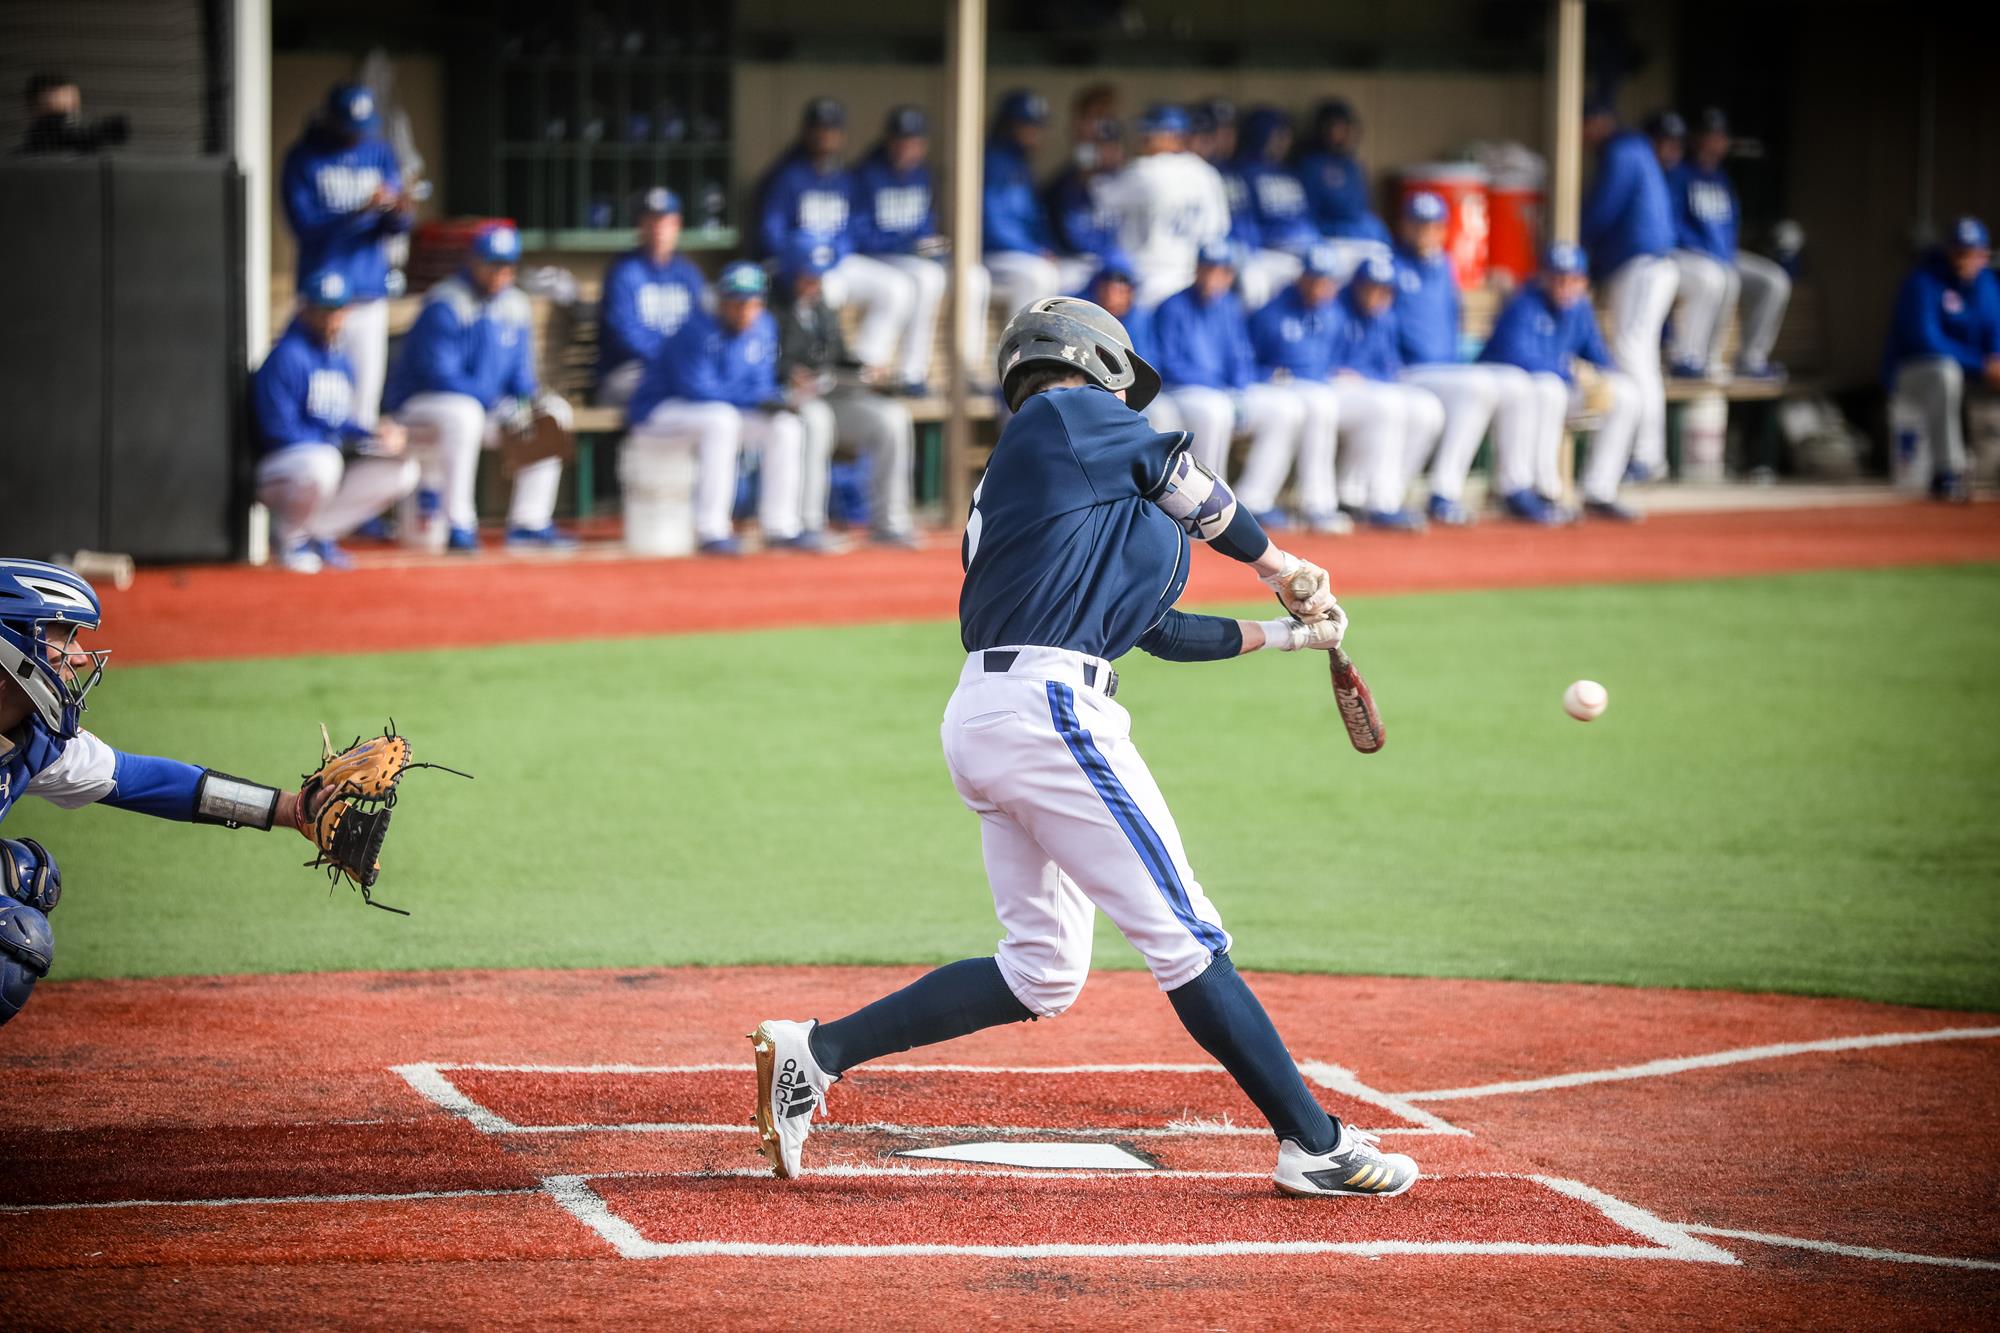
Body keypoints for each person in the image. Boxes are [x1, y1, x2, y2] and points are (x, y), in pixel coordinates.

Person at [746, 296, 1420, 1204]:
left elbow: (1159, 632)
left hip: (994, 713)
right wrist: (1280, 564)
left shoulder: (1073, 490)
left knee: (1042, 969)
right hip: (1049, 712)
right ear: (1089, 363)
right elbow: (1176, 466)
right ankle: (1315, 1141)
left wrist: (1288, 635)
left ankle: (816, 1052)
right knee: (1186, 936)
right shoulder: (1061, 413)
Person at [0, 560, 336, 1026]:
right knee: (12, 940)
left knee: (25, 877)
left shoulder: (34, 740)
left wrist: (291, 809)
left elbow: (145, 781)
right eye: (62, 636)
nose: (79, 657)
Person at [381, 223, 576, 552]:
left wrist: (525, 402)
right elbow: (439, 374)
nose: (499, 272)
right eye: (492, 263)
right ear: (473, 261)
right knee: (465, 413)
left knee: (553, 413)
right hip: (423, 408)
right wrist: (495, 403)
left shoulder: (516, 304)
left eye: (506, 264)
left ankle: (530, 523)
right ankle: (459, 524)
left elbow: (520, 374)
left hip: (485, 407)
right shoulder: (445, 303)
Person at [625, 261, 817, 555]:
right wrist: (755, 399)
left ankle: (780, 526)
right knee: (721, 420)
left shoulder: (764, 327)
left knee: (784, 426)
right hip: (658, 413)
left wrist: (778, 398)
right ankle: (711, 529)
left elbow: (760, 382)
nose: (744, 312)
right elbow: (698, 389)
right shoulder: (696, 329)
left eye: (751, 304)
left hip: (716, 412)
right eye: (737, 303)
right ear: (723, 301)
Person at [251, 269, 419, 573]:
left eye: (337, 310)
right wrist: (340, 446)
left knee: (402, 469)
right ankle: (289, 540)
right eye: (323, 310)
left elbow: (338, 421)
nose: (331, 319)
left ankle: (319, 533)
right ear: (306, 310)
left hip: (321, 460)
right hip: (277, 468)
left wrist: (372, 434)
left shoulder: (340, 361)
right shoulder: (286, 356)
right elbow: (277, 431)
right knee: (322, 462)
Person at [1393, 191, 1536, 526]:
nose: (1426, 233)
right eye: (1418, 225)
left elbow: (1450, 319)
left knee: (1517, 383)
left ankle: (1515, 485)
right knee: (1477, 386)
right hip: (1409, 370)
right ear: (1405, 226)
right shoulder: (1391, 266)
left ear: (1443, 230)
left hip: (1447, 370)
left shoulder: (1444, 264)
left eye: (1432, 226)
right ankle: (1444, 491)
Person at [281, 83, 416, 430]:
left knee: (363, 409)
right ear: (329, 119)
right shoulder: (303, 158)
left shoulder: (379, 152)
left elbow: (397, 226)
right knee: (323, 405)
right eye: (347, 128)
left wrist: (399, 210)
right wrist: (359, 210)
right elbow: (304, 226)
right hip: (321, 300)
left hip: (368, 294)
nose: (354, 136)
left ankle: (356, 482)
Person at [1479, 242, 1644, 522]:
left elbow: (1598, 355)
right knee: (1549, 388)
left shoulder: (1580, 308)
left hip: (1554, 393)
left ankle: (1599, 489)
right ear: (1544, 277)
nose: (1564, 286)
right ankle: (1543, 489)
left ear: (1583, 281)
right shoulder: (1525, 302)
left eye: (1572, 279)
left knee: (1626, 393)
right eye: (1558, 278)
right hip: (1519, 393)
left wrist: (1603, 376)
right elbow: (1516, 355)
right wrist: (1572, 373)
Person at [754, 98, 917, 382]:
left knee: (896, 287)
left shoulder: (843, 176)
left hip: (836, 261)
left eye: (831, 129)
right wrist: (802, 261)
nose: (825, 135)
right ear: (806, 131)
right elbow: (771, 234)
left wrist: (834, 255)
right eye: (819, 129)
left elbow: (852, 229)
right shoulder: (786, 176)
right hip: (799, 267)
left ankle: (864, 368)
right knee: (823, 292)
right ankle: (821, 375)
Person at [774, 239, 920, 548]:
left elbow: (838, 355)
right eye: (807, 274)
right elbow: (767, 362)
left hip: (830, 393)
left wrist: (864, 370)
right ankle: (809, 524)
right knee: (817, 419)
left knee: (890, 418)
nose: (814, 282)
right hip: (787, 400)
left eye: (818, 275)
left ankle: (888, 524)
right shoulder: (774, 306)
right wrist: (789, 374)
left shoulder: (821, 305)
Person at [851, 105, 993, 393]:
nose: (907, 148)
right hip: (880, 257)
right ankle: (911, 372)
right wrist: (907, 244)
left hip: (912, 256)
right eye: (901, 140)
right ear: (889, 141)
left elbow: (925, 226)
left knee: (975, 278)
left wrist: (930, 245)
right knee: (928, 278)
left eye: (914, 141)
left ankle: (966, 368)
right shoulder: (866, 174)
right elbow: (860, 234)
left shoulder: (922, 174)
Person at [1152, 242, 1305, 503]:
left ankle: (1255, 499)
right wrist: (1221, 388)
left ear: (1230, 275)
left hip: (1222, 391)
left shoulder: (1229, 307)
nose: (1214, 277)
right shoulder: (1172, 306)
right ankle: (1208, 501)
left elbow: (1241, 358)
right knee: (1216, 411)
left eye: (1221, 271)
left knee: (1286, 409)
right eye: (1208, 269)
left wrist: (1239, 388)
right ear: (1197, 270)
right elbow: (1169, 364)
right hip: (1183, 391)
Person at [1580, 99, 1679, 484]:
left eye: (1585, 126)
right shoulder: (1634, 148)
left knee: (1633, 355)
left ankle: (1646, 456)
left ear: (1599, 123)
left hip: (1642, 265)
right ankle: (1646, 455)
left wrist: (1581, 247)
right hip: (1648, 265)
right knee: (1639, 356)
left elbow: (1604, 209)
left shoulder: (1623, 149)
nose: (1583, 137)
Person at [1666, 109, 1792, 381]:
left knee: (1774, 280)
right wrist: (1705, 251)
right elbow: (1673, 225)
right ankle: (1707, 359)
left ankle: (1750, 358)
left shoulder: (1721, 178)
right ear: (1696, 139)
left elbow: (1731, 225)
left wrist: (1724, 253)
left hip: (1724, 255)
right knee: (1725, 278)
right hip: (1695, 257)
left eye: (1720, 136)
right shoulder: (1680, 175)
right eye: (1709, 136)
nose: (1715, 142)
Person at [1881, 216, 2000, 503]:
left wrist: (1996, 359)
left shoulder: (1986, 283)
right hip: (1912, 372)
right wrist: (1982, 365)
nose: (1964, 260)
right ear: (1948, 251)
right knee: (1945, 373)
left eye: (1972, 253)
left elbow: (1995, 328)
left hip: (1969, 372)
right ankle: (1948, 471)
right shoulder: (1923, 281)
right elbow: (1926, 340)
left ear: (1984, 254)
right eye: (1959, 251)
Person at [1327, 255, 1442, 531]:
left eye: (1384, 289)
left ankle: (1388, 493)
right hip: (1333, 388)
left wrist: (1370, 378)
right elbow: (1321, 361)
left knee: (1428, 409)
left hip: (1370, 387)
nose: (1377, 294)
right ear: (1357, 286)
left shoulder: (1385, 318)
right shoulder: (1336, 310)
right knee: (1386, 405)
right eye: (1370, 286)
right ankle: (1378, 502)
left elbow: (1388, 367)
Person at [1246, 244, 1352, 533]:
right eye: (1315, 278)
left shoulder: (1334, 314)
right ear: (1302, 278)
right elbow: (1250, 357)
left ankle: (1328, 501)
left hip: (1319, 384)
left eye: (1327, 280)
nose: (1321, 286)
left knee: (1327, 402)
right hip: (1276, 386)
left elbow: (1339, 357)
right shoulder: (1272, 312)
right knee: (1316, 405)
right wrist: (1268, 374)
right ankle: (1317, 503)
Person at [1102, 105, 1233, 310]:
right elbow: (1219, 231)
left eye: (1150, 134)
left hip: (1150, 281)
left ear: (1174, 136)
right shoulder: (1207, 173)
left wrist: (1106, 163)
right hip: (1196, 282)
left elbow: (1100, 197)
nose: (1143, 139)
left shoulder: (1146, 170)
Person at [982, 90, 1093, 319]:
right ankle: (1018, 346)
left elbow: (1035, 220)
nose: (1036, 133)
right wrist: (1034, 251)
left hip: (1022, 254)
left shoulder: (1021, 162)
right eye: (1028, 125)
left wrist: (1045, 248)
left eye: (1037, 126)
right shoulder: (992, 162)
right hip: (995, 254)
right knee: (1039, 275)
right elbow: (993, 226)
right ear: (1009, 125)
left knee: (1081, 273)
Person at [595, 188, 706, 409]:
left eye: (665, 221)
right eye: (651, 221)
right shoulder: (624, 273)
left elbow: (700, 328)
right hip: (629, 371)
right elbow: (625, 334)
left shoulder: (688, 274)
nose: (658, 229)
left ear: (677, 225)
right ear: (640, 226)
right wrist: (671, 356)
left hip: (677, 369)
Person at [1081, 253, 1180, 435]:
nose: (1115, 294)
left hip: (1126, 390)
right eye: (1109, 285)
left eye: (1122, 287)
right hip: (1083, 389)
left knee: (1163, 411)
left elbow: (1149, 364)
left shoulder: (1138, 317)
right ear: (1098, 285)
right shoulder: (1079, 308)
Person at [1229, 107, 1314, 311]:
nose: (1284, 142)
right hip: (1270, 250)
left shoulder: (1291, 172)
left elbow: (1306, 217)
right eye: (1278, 135)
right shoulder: (1245, 173)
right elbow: (1246, 222)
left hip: (1304, 248)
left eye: (1285, 136)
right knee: (1254, 286)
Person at [1294, 98, 1391, 275]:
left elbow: (1363, 209)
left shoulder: (1353, 165)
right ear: (1322, 129)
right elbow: (1308, 218)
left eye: (1348, 127)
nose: (1345, 133)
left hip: (1363, 241)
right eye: (1338, 127)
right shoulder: (1310, 166)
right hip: (1331, 242)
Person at [1044, 117, 1126, 262]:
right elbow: (1075, 239)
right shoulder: (1068, 184)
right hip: (1075, 261)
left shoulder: (1126, 182)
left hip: (1115, 261)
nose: (1109, 152)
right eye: (1101, 146)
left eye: (1113, 145)